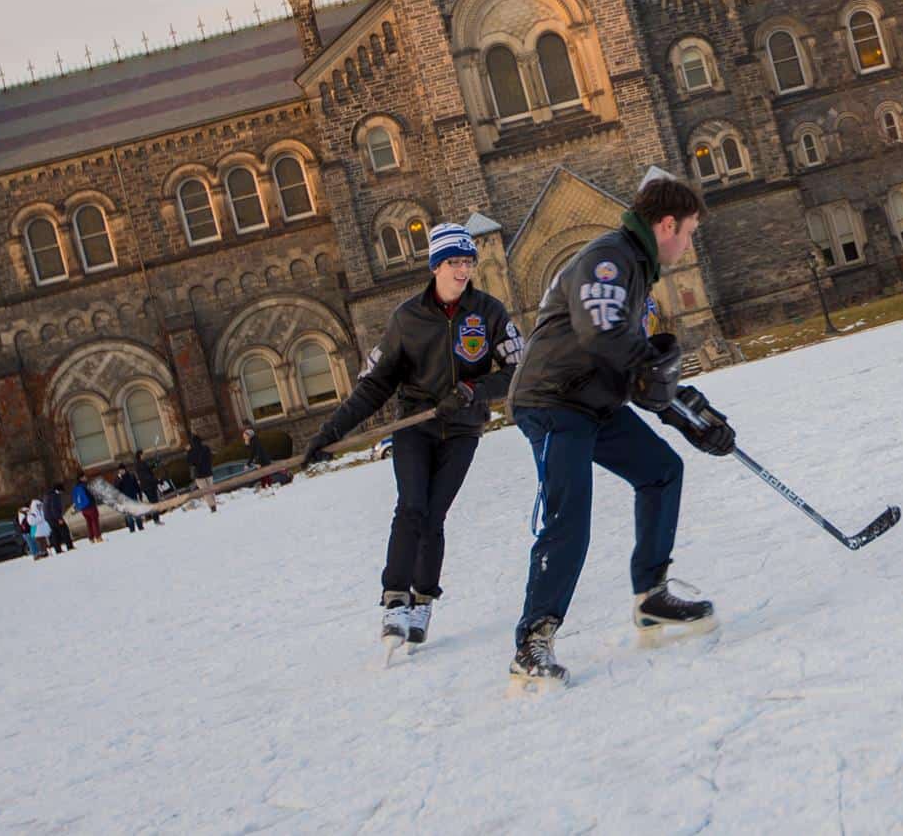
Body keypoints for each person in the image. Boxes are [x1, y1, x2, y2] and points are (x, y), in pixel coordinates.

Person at [504, 176, 736, 688]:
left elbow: (634, 368)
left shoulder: (635, 268)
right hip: (552, 400)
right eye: (689, 232)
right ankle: (532, 642)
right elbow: (603, 333)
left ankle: (651, 598)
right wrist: (663, 387)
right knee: (569, 514)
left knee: (661, 471)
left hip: (593, 400)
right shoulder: (609, 259)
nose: (689, 244)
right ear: (666, 225)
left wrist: (688, 413)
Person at [300, 223, 523, 652]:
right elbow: (373, 386)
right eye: (454, 262)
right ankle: (394, 599)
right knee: (411, 508)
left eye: (468, 262)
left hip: (463, 429)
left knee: (434, 516)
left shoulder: (488, 312)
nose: (463, 270)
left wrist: (474, 390)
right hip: (415, 427)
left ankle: (423, 600)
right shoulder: (407, 319)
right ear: (435, 266)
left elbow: (519, 369)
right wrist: (329, 433)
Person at [186, 434, 217, 513]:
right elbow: (210, 458)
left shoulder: (192, 451)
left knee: (205, 491)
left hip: (199, 475)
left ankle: (212, 506)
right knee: (211, 490)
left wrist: (188, 452)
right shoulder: (206, 448)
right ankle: (214, 504)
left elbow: (190, 462)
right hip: (208, 472)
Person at [133, 451, 163, 526]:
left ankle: (157, 519)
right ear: (140, 455)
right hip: (148, 486)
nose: (144, 455)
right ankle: (156, 520)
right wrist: (157, 480)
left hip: (150, 485)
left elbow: (149, 469)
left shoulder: (143, 463)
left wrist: (155, 463)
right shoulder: (139, 465)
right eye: (143, 454)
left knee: (155, 502)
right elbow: (146, 476)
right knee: (154, 502)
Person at [113, 465, 145, 534]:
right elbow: (116, 490)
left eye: (122, 470)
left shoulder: (131, 476)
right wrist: (120, 481)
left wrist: (140, 494)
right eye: (120, 470)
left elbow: (136, 485)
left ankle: (141, 527)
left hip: (133, 497)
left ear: (125, 470)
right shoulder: (117, 479)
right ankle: (132, 530)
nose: (121, 471)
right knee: (129, 516)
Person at [44, 482, 74, 554]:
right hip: (55, 517)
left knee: (55, 533)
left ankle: (58, 549)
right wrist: (59, 518)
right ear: (59, 490)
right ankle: (69, 546)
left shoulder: (47, 495)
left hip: (49, 518)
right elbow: (54, 508)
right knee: (65, 531)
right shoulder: (55, 496)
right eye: (61, 491)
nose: (61, 493)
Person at [72, 476, 102, 543]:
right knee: (94, 521)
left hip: (83, 508)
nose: (86, 478)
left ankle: (91, 538)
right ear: (81, 478)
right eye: (84, 477)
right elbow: (91, 495)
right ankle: (98, 537)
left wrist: (79, 506)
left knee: (89, 523)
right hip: (90, 506)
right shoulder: (85, 486)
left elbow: (75, 499)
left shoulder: (76, 488)